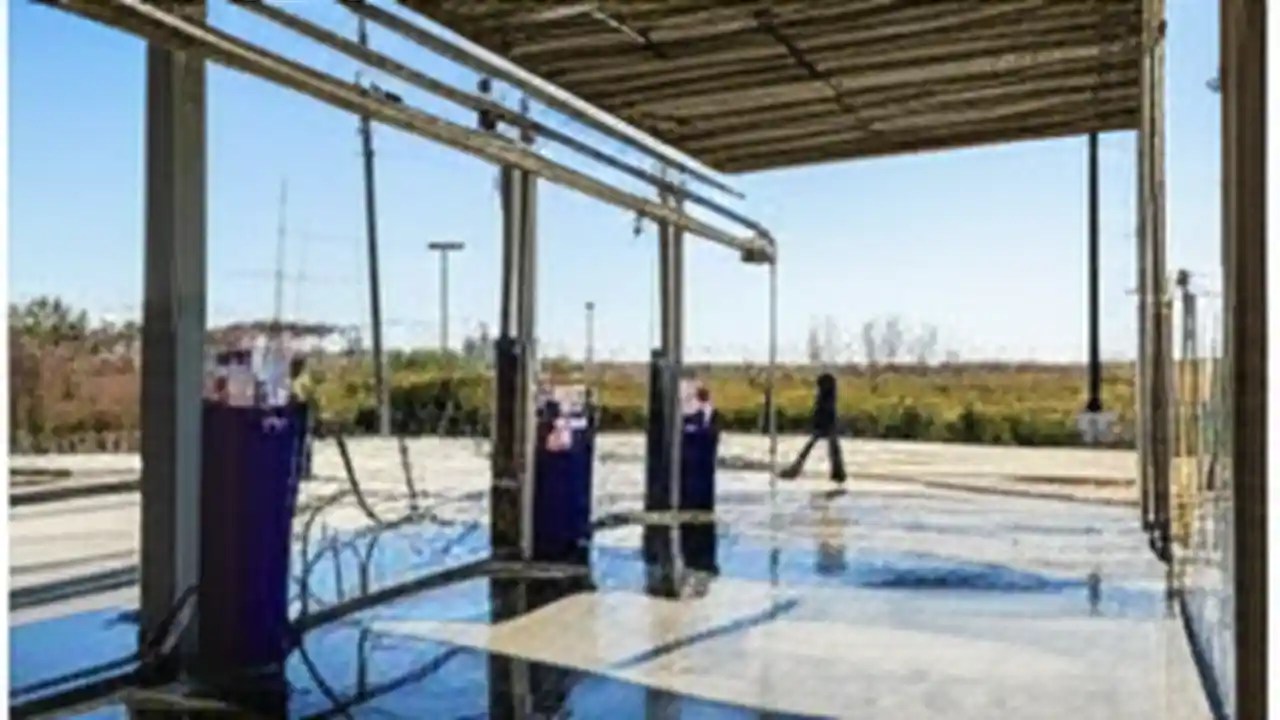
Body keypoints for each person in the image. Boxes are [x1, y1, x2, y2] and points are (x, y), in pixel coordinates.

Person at [779, 372, 846, 483]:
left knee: (813, 447)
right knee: (832, 448)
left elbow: (823, 411)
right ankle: (838, 473)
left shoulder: (825, 397)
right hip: (828, 423)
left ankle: (795, 470)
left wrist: (817, 423)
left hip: (825, 423)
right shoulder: (829, 396)